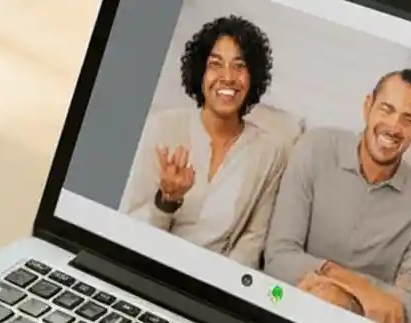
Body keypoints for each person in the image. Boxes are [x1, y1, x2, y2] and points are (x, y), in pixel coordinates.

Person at [263, 69, 411, 323]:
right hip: (281, 302)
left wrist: (341, 300)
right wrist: (359, 290)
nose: (394, 127)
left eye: (408, 120)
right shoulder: (315, 147)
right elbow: (278, 257)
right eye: (386, 109)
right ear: (367, 106)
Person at [120, 16, 288, 269]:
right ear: (200, 72)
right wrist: (166, 201)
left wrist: (217, 287)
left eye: (239, 66)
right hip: (146, 268)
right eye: (215, 64)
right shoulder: (163, 127)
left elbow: (252, 242)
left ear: (253, 76)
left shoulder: (270, 151)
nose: (228, 77)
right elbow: (130, 231)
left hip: (212, 286)